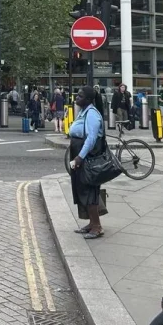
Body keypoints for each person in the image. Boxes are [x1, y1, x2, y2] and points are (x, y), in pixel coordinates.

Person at [68, 86, 106, 239]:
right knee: (83, 189)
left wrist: (79, 157)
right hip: (81, 154)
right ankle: (91, 223)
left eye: (80, 96)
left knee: (89, 191)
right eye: (77, 95)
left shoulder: (91, 114)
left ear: (89, 100)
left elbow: (91, 139)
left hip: (88, 158)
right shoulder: (85, 111)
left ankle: (97, 227)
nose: (77, 98)